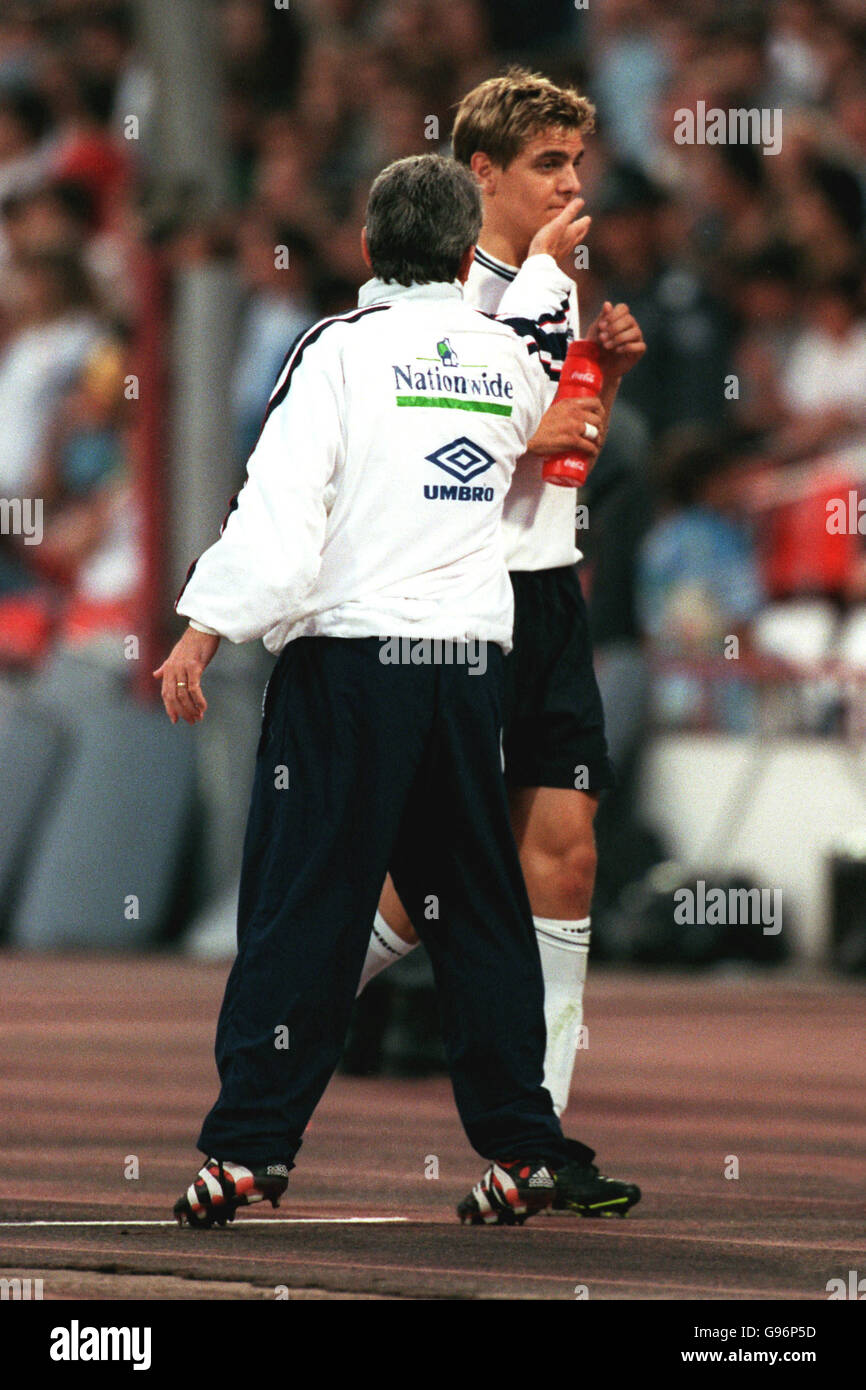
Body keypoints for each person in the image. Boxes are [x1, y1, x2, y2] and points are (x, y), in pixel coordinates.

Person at [155, 153, 619, 1229]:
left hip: (351, 672)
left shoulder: (337, 351)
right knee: (480, 918)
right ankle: (523, 1147)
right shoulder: (501, 360)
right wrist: (548, 275)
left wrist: (199, 631)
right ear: (465, 256)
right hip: (464, 675)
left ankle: (247, 1150)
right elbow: (543, 420)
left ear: (366, 249)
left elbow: (277, 516)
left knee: (299, 913)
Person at [355, 68, 646, 1218]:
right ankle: (291, 1010)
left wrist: (604, 378)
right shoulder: (433, 295)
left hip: (546, 594)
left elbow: (560, 456)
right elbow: (450, 450)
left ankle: (536, 1141)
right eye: (546, 165)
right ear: (480, 173)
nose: (571, 183)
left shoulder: (553, 291)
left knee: (565, 853)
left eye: (575, 163)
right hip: (463, 600)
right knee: (437, 882)